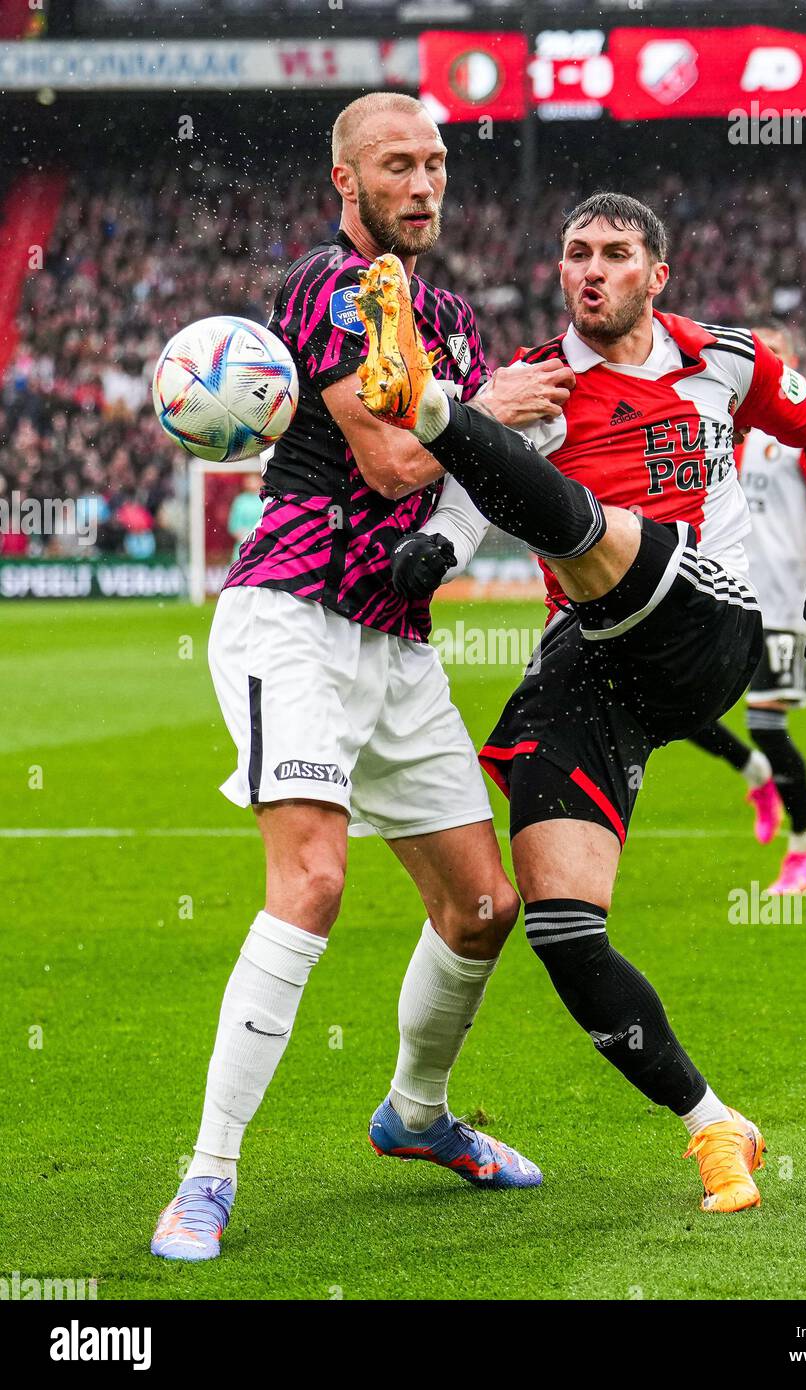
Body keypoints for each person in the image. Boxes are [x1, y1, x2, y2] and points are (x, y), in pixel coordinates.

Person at [355, 192, 806, 1212]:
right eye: (574, 253)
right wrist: (438, 550)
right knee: (559, 925)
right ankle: (713, 1123)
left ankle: (424, 406)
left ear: (655, 274)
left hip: (706, 621)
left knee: (603, 535)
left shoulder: (720, 359)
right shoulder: (535, 388)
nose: (589, 269)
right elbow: (468, 497)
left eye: (614, 253)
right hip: (593, 663)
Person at [151, 92, 575, 1263]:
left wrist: (482, 445)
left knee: (483, 908)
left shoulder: (446, 312)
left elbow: (478, 482)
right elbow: (397, 462)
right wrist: (481, 416)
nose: (425, 184)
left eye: (435, 163)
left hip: (394, 643)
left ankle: (417, 1116)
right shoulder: (324, 287)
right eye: (398, 165)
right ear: (346, 181)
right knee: (315, 882)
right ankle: (207, 1174)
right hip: (291, 616)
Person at [688, 323, 806, 893]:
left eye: (773, 352)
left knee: (768, 724)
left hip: (784, 607)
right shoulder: (722, 433)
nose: (760, 361)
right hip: (722, 597)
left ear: (790, 362)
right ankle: (754, 774)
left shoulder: (794, 438)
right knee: (676, 707)